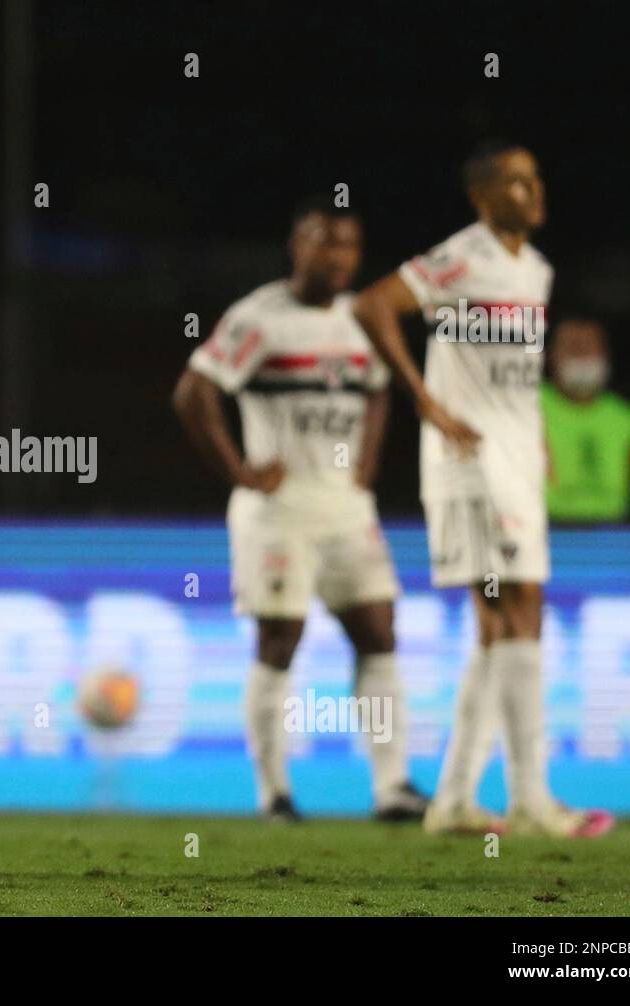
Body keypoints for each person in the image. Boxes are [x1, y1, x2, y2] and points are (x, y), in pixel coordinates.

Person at [352, 140, 613, 838]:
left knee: (503, 624)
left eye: (537, 180)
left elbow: (515, 373)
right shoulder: (461, 256)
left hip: (516, 460)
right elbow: (373, 306)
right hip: (467, 464)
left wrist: (539, 443)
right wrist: (425, 402)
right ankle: (528, 798)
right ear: (482, 196)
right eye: (518, 182)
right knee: (513, 606)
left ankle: (458, 800)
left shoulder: (537, 272)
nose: (534, 192)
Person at [173, 198, 428, 823]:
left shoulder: (363, 319)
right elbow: (193, 391)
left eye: (348, 244)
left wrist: (366, 465)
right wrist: (238, 471)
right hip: (277, 510)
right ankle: (274, 794)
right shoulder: (260, 317)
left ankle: (393, 787)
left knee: (379, 632)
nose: (338, 256)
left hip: (345, 506)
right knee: (279, 641)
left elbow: (378, 394)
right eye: (325, 242)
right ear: (298, 246)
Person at [542, 319, 630, 522]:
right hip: (548, 528)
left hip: (616, 532)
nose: (582, 355)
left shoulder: (627, 417)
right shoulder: (528, 408)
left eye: (589, 347)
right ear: (551, 354)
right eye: (573, 347)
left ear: (605, 354)